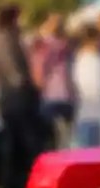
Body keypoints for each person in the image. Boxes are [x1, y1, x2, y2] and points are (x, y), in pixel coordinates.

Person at [0, 4, 42, 188]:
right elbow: (15, 73)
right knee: (24, 149)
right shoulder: (6, 39)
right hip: (17, 98)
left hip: (7, 99)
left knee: (14, 149)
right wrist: (30, 88)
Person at [28, 12, 74, 150]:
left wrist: (37, 85)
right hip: (67, 93)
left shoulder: (44, 45)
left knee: (50, 138)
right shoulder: (67, 45)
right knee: (67, 135)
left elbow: (39, 70)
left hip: (50, 95)